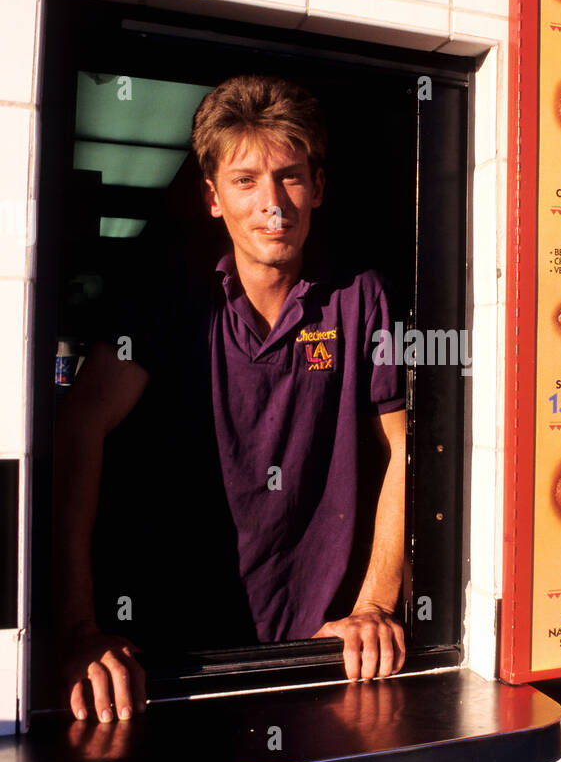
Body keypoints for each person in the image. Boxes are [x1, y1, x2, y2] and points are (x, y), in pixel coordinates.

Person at [54, 75, 406, 723]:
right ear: (213, 198)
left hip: (319, 660)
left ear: (318, 187)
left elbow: (404, 450)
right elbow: (79, 427)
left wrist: (376, 606)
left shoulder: (361, 299)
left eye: (290, 177)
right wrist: (77, 628)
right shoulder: (171, 300)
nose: (273, 202)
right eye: (246, 181)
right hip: (175, 666)